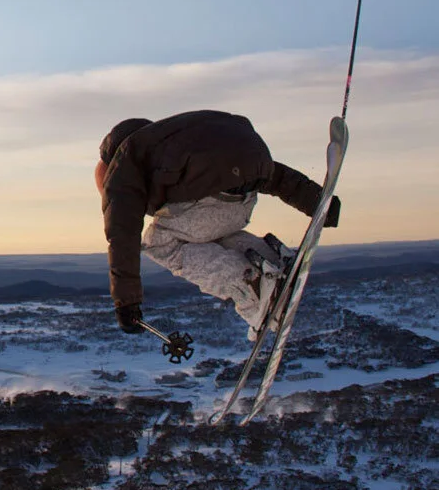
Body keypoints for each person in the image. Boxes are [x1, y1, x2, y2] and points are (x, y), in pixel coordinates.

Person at [96, 110, 340, 340]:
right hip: (243, 197)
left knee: (157, 243)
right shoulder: (175, 142)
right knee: (202, 235)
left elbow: (122, 235)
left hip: (213, 200)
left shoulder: (125, 162)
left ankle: (250, 287)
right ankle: (270, 261)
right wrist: (317, 202)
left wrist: (126, 303)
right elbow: (273, 173)